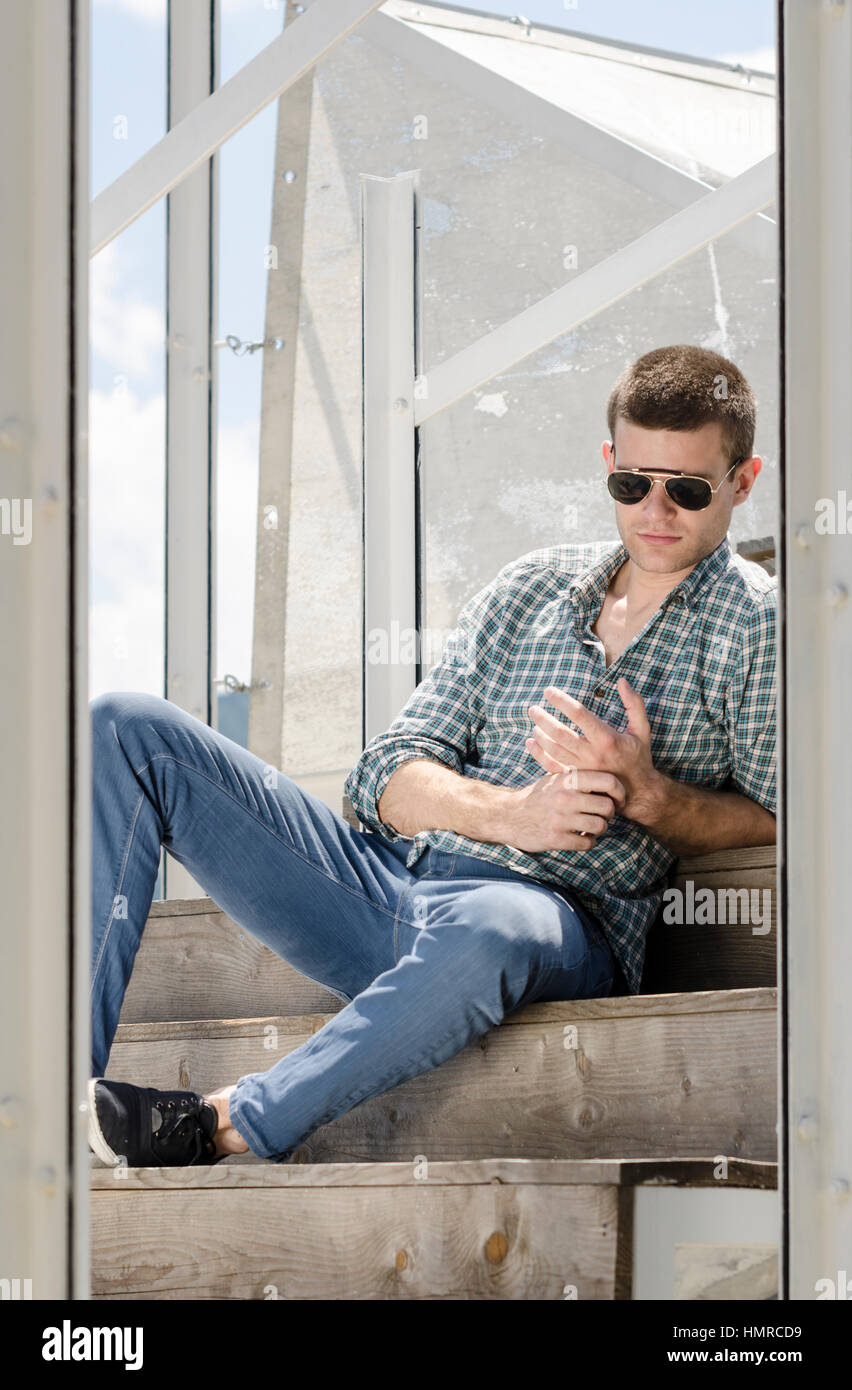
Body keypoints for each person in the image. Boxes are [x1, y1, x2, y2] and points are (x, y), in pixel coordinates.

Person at [86, 343, 777, 1169]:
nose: (655, 510)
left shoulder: (758, 622)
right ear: (607, 465)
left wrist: (651, 798)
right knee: (126, 726)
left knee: (492, 925)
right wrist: (513, 813)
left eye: (688, 489)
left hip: (552, 924)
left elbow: (785, 817)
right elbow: (383, 775)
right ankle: (52, 1088)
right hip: (389, 886)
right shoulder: (528, 588)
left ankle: (217, 1123)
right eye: (633, 484)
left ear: (743, 480)